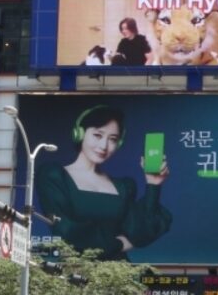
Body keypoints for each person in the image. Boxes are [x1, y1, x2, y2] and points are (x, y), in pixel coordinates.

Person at [37, 105, 173, 260]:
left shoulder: (124, 187)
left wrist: (153, 184)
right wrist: (119, 244)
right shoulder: (54, 175)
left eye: (113, 139)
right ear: (79, 133)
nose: (104, 146)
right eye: (97, 135)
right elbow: (68, 233)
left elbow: (142, 232)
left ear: (119, 143)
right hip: (74, 274)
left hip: (119, 274)